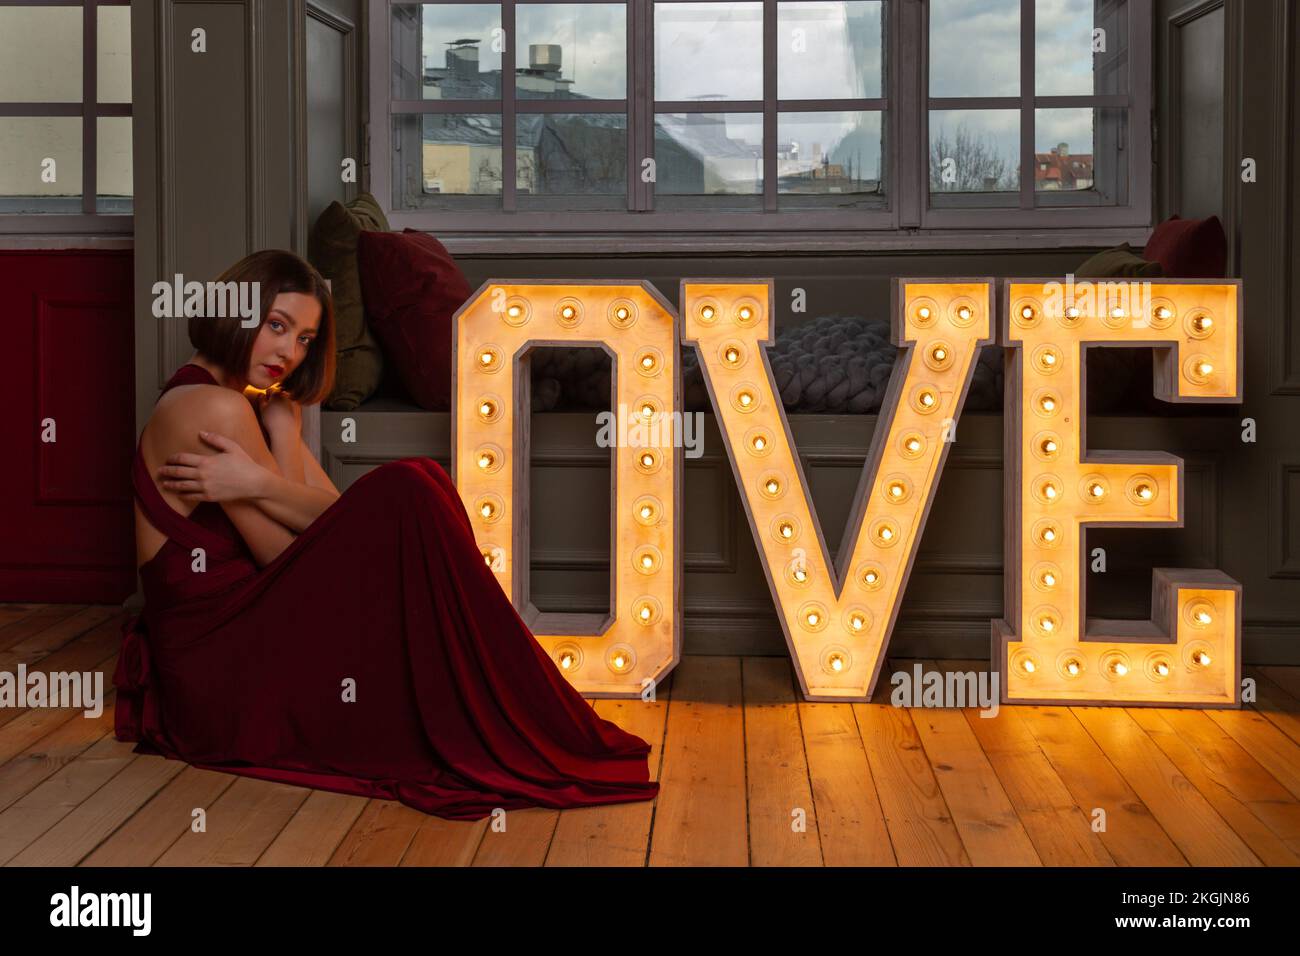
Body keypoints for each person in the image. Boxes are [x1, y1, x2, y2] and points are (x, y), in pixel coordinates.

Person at [118, 249, 659, 821]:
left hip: (246, 633)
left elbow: (333, 515)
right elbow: (290, 556)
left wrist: (276, 449)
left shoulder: (244, 403)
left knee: (414, 484)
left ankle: (488, 690)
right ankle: (497, 694)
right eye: (277, 327)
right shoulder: (213, 407)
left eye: (304, 339)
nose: (289, 352)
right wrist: (262, 478)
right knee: (408, 486)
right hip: (219, 676)